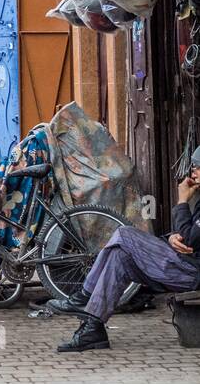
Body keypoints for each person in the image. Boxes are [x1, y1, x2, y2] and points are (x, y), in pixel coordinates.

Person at [52, 150, 200, 352]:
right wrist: (173, 236)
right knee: (119, 257)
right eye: (193, 166)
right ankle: (92, 330)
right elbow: (187, 235)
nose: (193, 172)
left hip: (191, 273)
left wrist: (182, 201)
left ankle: (83, 296)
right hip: (183, 265)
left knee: (124, 234)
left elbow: (191, 239)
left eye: (199, 167)